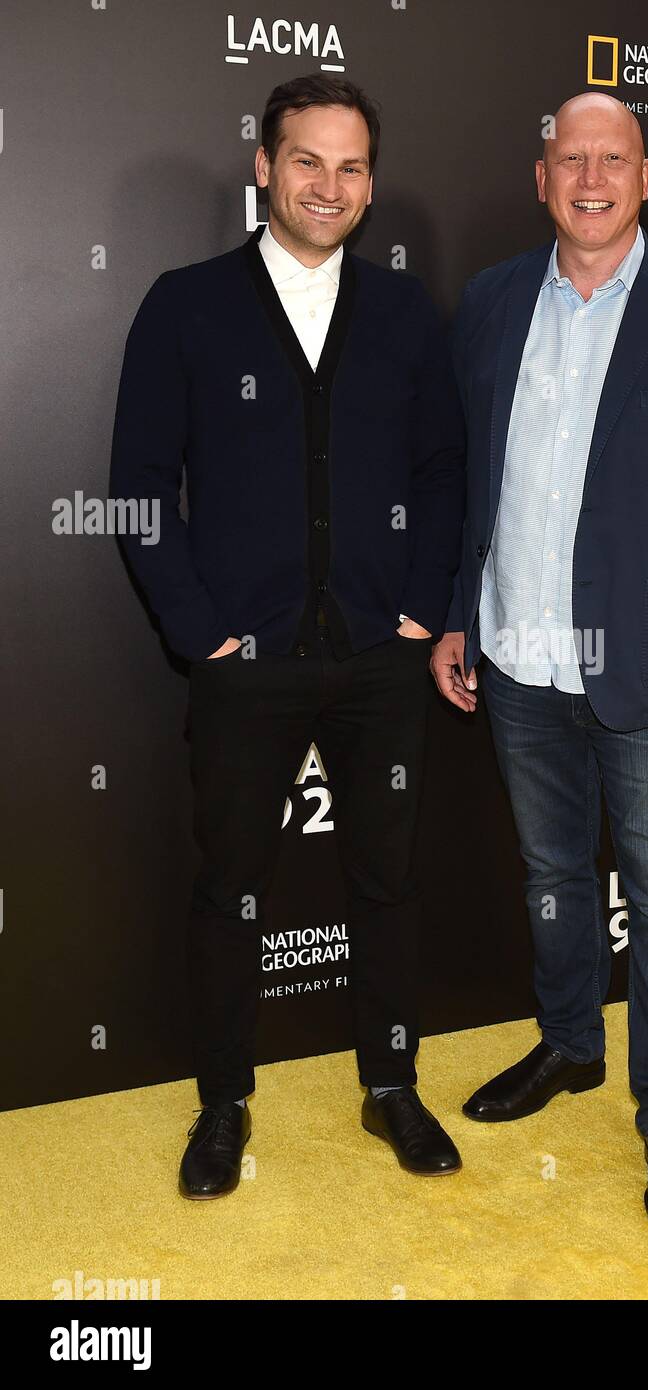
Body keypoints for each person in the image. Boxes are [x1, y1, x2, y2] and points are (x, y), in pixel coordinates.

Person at [109, 75, 466, 1197]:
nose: (329, 184)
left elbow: (443, 469)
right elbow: (134, 487)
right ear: (263, 167)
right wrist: (200, 633)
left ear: (371, 182)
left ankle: (391, 1084)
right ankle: (223, 1104)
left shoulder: (407, 313)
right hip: (242, 665)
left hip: (378, 659)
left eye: (351, 166)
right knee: (230, 884)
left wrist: (420, 608)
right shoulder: (186, 303)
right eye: (306, 160)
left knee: (388, 879)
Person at [432, 93, 648, 1229]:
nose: (589, 176)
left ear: (645, 175)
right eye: (568, 158)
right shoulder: (487, 304)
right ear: (540, 179)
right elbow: (464, 486)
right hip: (517, 659)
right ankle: (571, 1043)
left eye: (611, 159)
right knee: (550, 875)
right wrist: (453, 616)